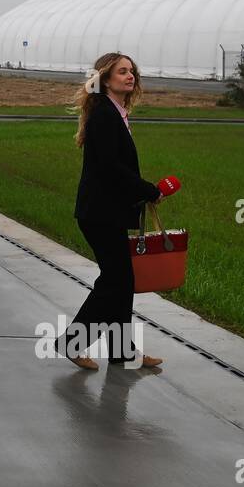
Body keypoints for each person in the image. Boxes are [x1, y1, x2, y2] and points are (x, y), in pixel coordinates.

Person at [58, 52, 164, 371]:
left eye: (132, 71)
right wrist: (148, 190)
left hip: (107, 211)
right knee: (115, 282)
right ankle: (72, 343)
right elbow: (110, 167)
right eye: (122, 72)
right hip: (100, 213)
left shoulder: (114, 111)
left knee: (121, 281)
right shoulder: (105, 113)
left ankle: (121, 351)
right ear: (106, 79)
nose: (130, 76)